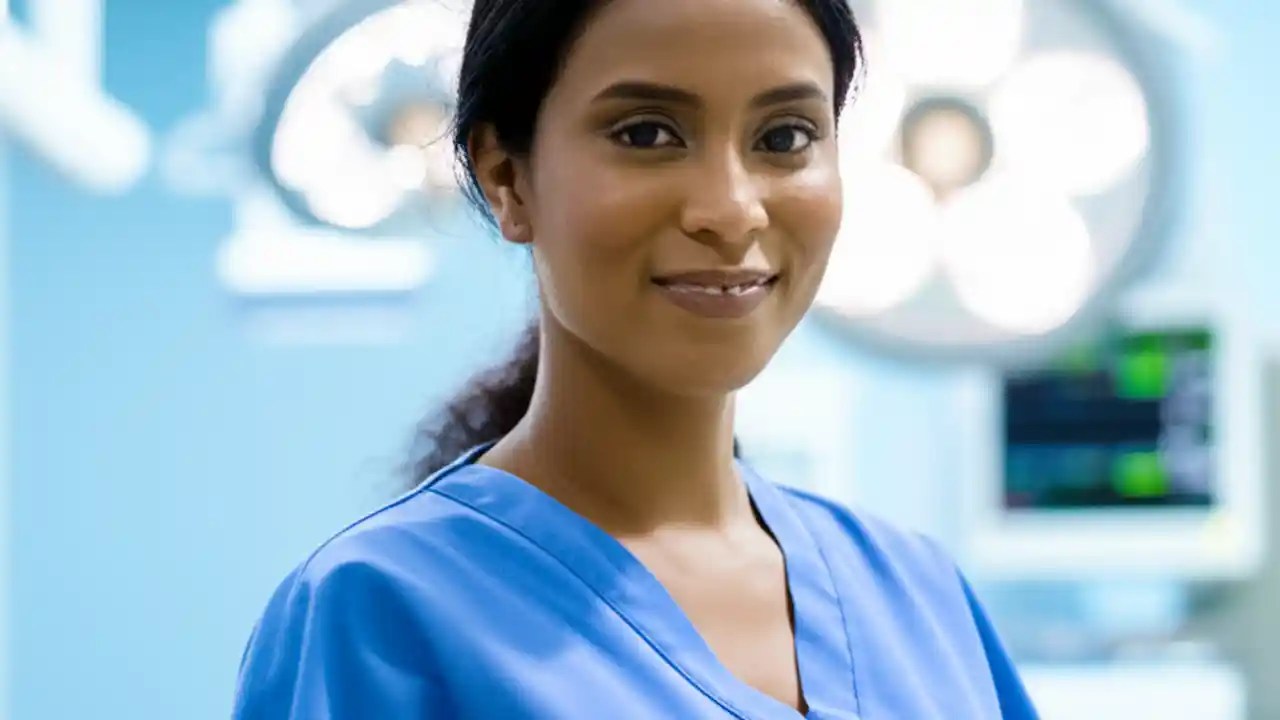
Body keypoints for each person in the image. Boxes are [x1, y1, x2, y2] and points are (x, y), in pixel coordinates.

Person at [233, 0, 1040, 717]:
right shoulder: (380, 617)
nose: (730, 210)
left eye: (785, 137)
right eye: (647, 133)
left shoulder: (916, 599)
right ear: (507, 176)